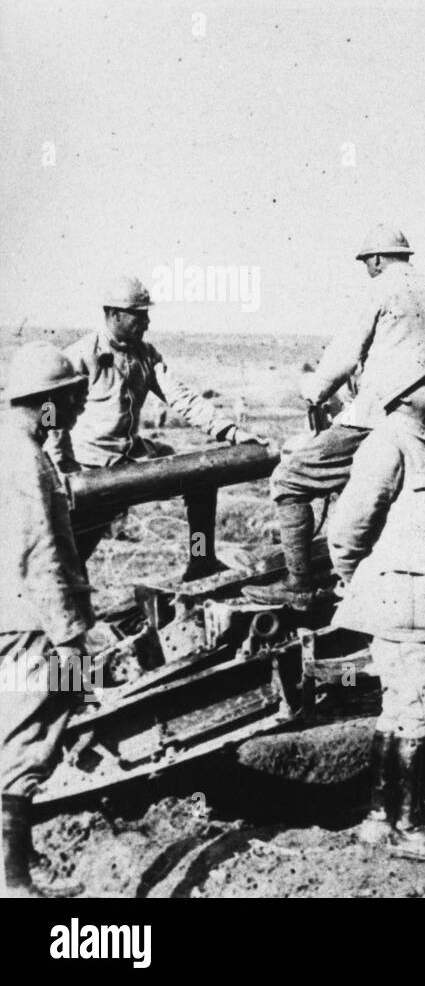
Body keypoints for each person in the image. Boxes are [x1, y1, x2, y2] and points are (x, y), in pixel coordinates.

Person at [248, 225, 425, 609]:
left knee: (290, 479)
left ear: (377, 259)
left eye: (366, 262)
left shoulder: (380, 290)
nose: (367, 269)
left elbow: (345, 354)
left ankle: (299, 586)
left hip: (377, 421)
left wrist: (313, 389)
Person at [328, 366, 425, 862]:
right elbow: (347, 526)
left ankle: (378, 820)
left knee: (397, 706)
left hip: (409, 597)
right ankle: (409, 829)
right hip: (404, 601)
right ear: (403, 393)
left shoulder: (415, 441)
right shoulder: (389, 443)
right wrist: (361, 577)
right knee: (420, 706)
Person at [48, 277, 266, 579]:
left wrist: (231, 432)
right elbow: (51, 413)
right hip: (91, 470)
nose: (148, 321)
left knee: (199, 475)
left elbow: (183, 398)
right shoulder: (80, 355)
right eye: (140, 314)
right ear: (114, 314)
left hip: (134, 461)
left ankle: (201, 560)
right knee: (73, 558)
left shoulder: (146, 355)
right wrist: (61, 466)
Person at [1, 343, 94, 897]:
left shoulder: (9, 449)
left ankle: (19, 863)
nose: (77, 410)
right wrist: (70, 638)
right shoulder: (29, 461)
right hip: (31, 623)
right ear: (48, 404)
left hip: (9, 617)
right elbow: (43, 555)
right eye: (71, 400)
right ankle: (12, 883)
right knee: (25, 744)